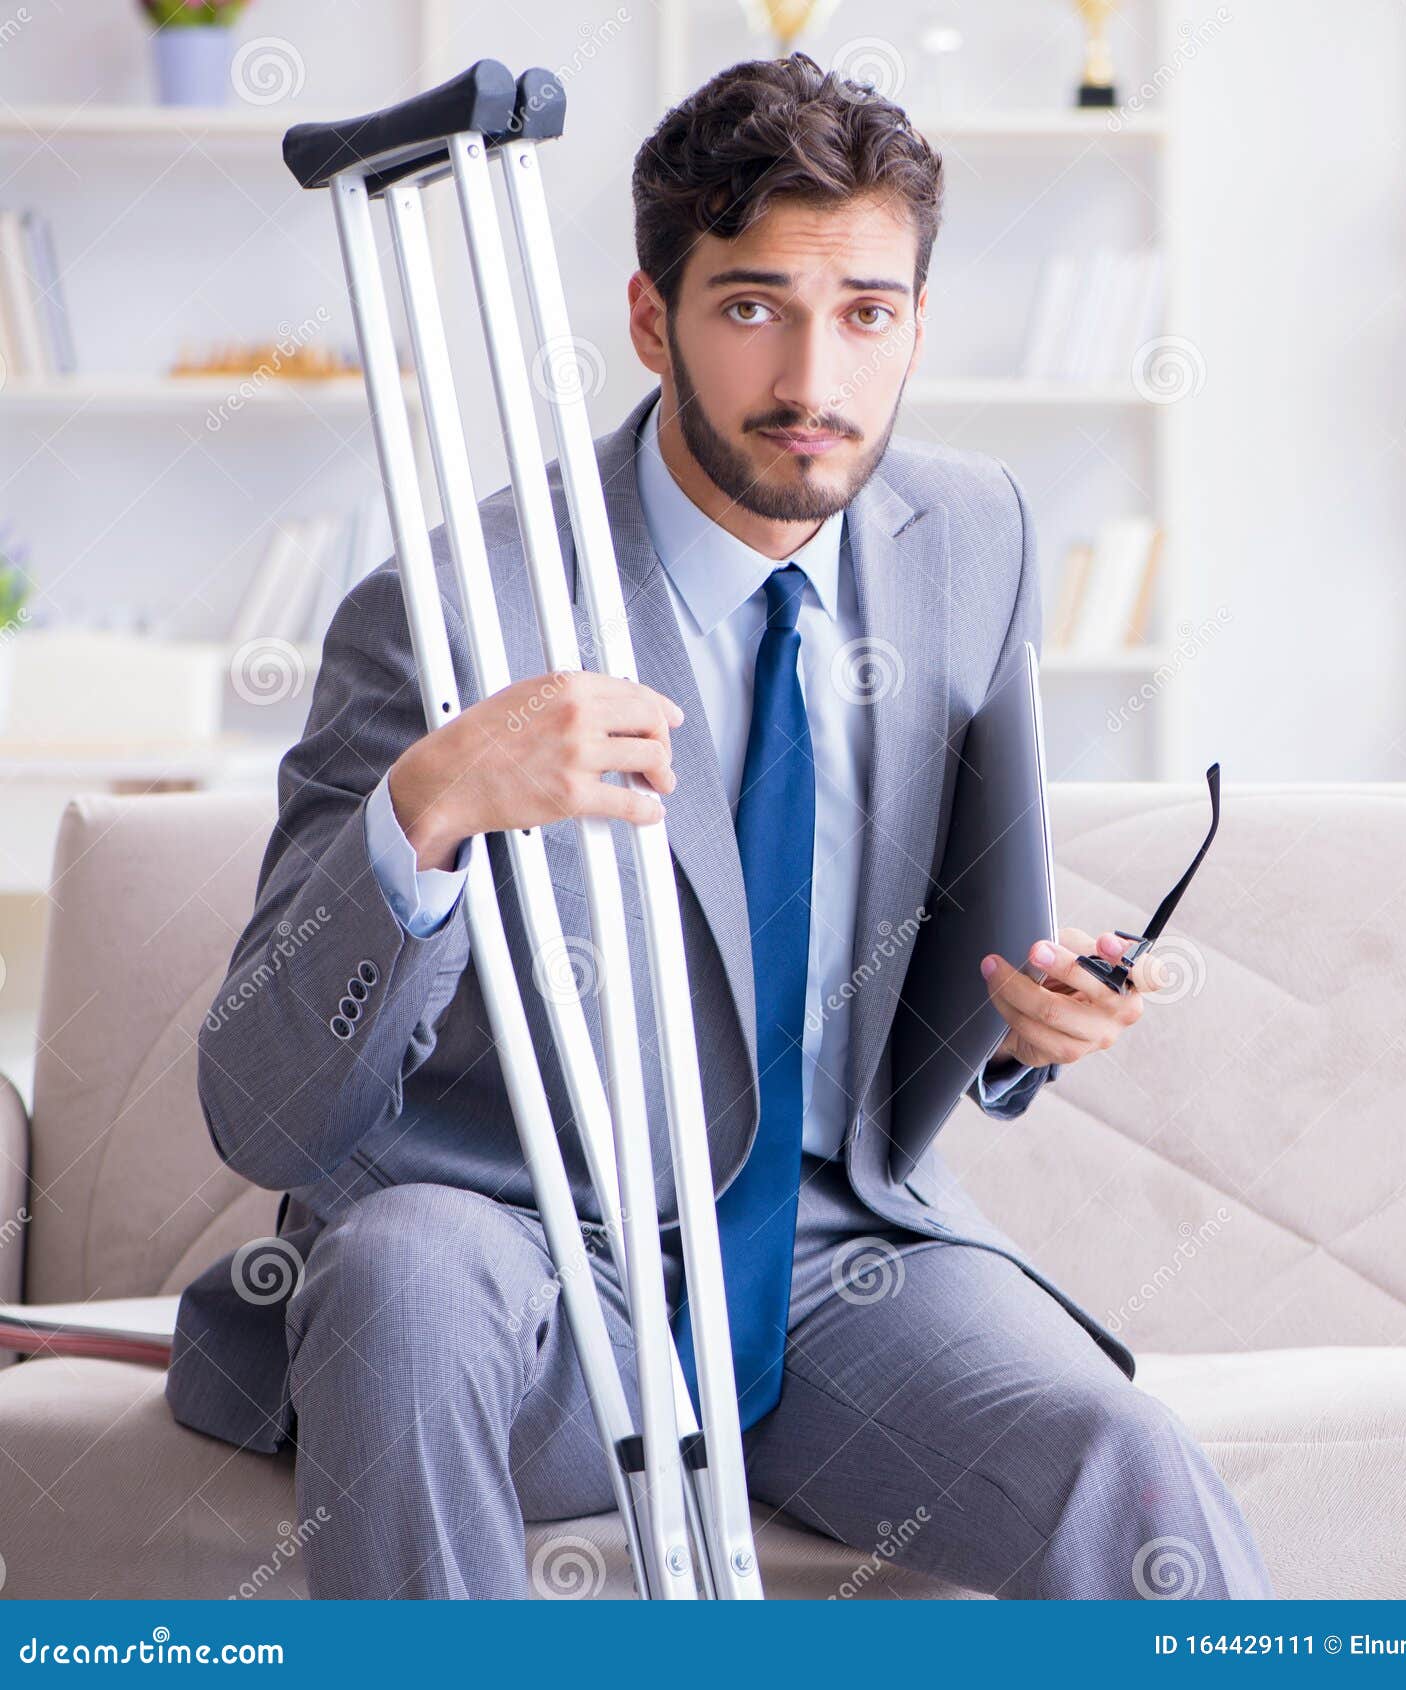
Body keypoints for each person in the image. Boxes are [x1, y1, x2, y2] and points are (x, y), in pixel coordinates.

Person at [166, 52, 1272, 1602]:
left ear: (913, 327)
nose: (813, 377)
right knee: (405, 1269)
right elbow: (264, 1109)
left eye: (865, 314)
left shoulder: (972, 531)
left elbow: (930, 915)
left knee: (1118, 1454)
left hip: (836, 1262)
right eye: (752, 306)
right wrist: (426, 809)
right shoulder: (446, 614)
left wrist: (1022, 1017)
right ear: (651, 320)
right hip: (536, 1262)